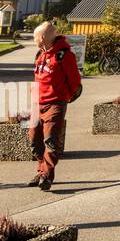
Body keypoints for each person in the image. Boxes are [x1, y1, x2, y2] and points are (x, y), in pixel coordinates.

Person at [28, 22, 82, 192]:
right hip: (37, 103)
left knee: (50, 140)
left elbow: (75, 82)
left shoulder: (64, 55)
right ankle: (41, 169)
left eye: (35, 36)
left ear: (42, 37)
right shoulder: (40, 54)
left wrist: (62, 97)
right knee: (34, 140)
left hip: (55, 103)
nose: (33, 39)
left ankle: (46, 176)